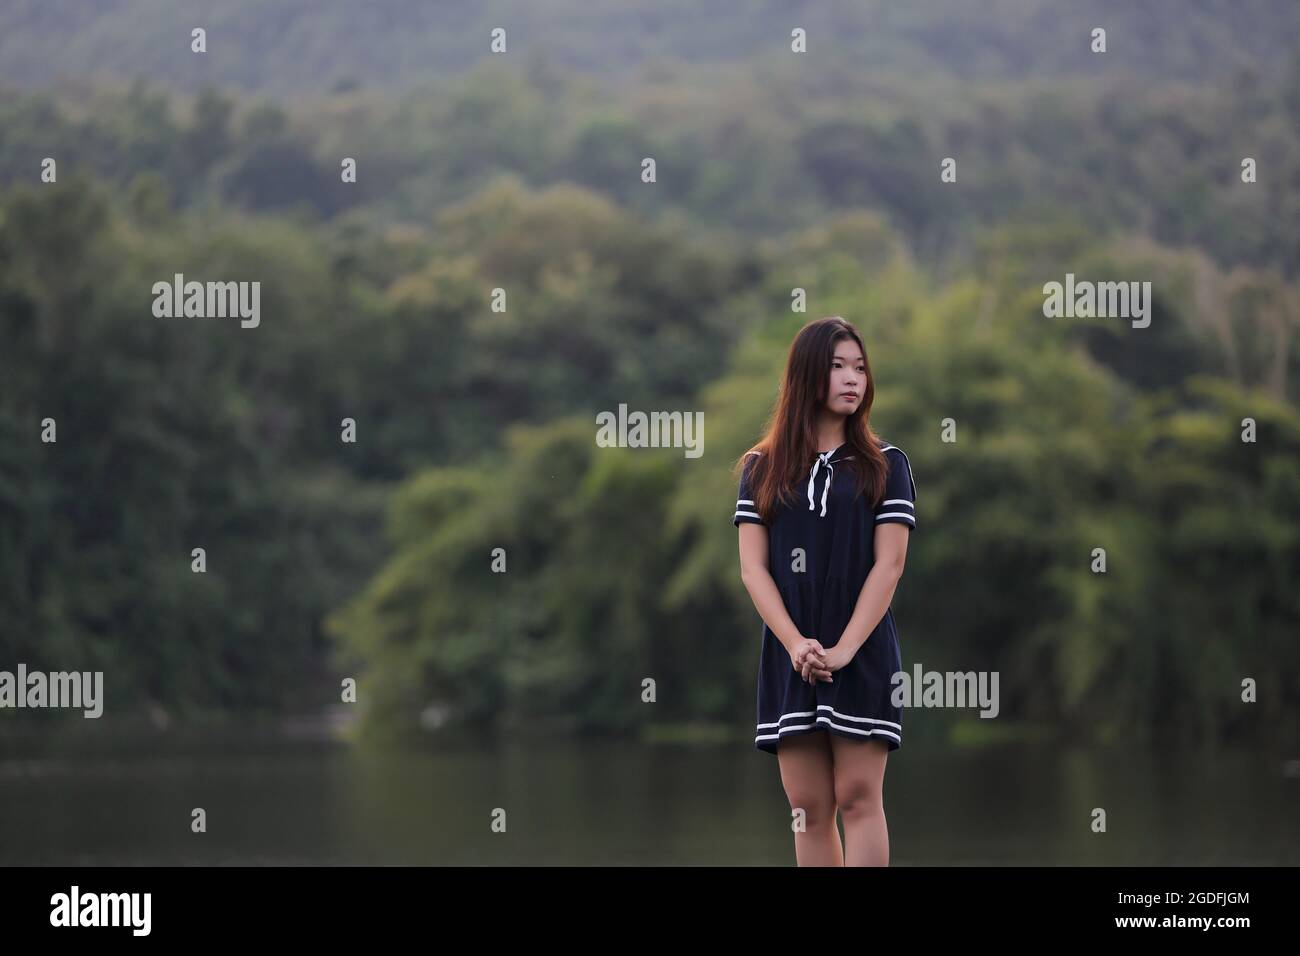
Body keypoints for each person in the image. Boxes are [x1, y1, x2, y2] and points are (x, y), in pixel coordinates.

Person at [733, 315, 917, 866]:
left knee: (858, 798)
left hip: (861, 649)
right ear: (806, 375)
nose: (851, 378)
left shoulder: (886, 465)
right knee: (808, 807)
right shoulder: (761, 468)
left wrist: (843, 650)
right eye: (837, 367)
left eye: (859, 368)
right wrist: (796, 645)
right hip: (791, 654)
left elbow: (889, 566)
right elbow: (753, 570)